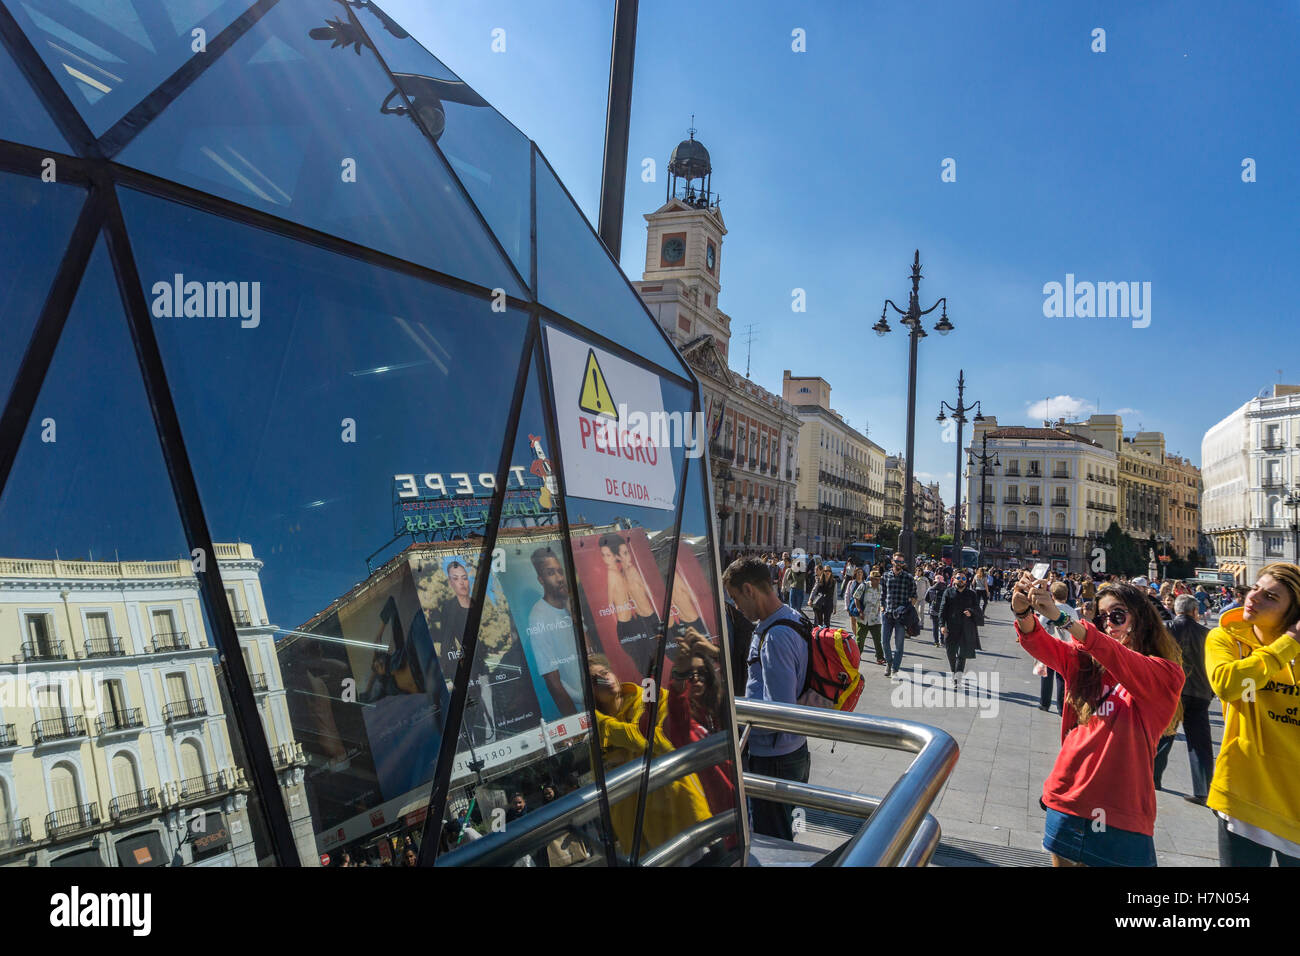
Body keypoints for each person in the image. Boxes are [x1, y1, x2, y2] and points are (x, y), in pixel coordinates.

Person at [1010, 574, 1184, 867]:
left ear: (1142, 619)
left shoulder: (1165, 674)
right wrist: (1023, 612)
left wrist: (1062, 618)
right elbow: (1041, 644)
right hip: (1068, 797)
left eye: (1116, 615)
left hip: (1121, 813)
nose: (1108, 624)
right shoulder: (1087, 662)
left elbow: (1118, 656)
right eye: (1101, 617)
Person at [1205, 563, 1300, 866]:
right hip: (1242, 793)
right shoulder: (1225, 638)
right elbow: (1228, 683)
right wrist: (1288, 645)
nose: (1253, 597)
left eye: (1271, 597)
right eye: (1256, 587)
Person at [724, 557, 811, 841]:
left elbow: (779, 711)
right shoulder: (793, 616)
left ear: (749, 590)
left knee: (772, 840)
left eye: (736, 598)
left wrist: (739, 726)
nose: (737, 607)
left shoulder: (775, 636)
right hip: (794, 749)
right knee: (784, 834)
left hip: (774, 756)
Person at [588, 654, 710, 854]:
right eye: (595, 680)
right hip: (645, 842)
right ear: (590, 694)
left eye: (605, 672)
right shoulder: (597, 740)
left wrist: (605, 727)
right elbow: (607, 792)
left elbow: (646, 739)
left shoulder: (653, 698)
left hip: (684, 816)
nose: (604, 679)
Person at [1164, 594, 1216, 806]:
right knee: (1200, 743)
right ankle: (1203, 790)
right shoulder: (1208, 634)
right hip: (1200, 692)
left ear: (1176, 610)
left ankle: (1153, 778)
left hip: (1173, 691)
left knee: (1163, 735)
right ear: (1195, 612)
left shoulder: (1166, 628)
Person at [527, 546, 583, 717]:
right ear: (541, 579)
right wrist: (575, 724)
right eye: (551, 573)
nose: (559, 578)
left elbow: (591, 651)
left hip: (598, 694)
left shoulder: (569, 604)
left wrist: (572, 612)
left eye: (560, 571)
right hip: (580, 708)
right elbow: (552, 681)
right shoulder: (538, 616)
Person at [1035, 581, 1077, 713]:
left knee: (1046, 676)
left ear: (1052, 595)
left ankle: (1044, 703)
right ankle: (1061, 706)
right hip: (1065, 647)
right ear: (1067, 595)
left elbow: (1040, 626)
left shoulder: (1048, 609)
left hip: (1049, 646)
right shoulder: (1072, 611)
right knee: (1061, 678)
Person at [938, 570, 981, 684]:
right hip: (950, 628)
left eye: (963, 578)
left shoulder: (971, 594)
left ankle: (958, 677)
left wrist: (971, 612)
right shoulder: (948, 592)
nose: (961, 580)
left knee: (962, 654)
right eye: (959, 578)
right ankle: (954, 672)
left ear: (966, 581)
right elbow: (942, 610)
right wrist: (942, 625)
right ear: (954, 579)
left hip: (966, 628)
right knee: (951, 653)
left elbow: (977, 609)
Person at [880, 552, 916, 679]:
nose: (899, 564)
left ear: (903, 563)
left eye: (901, 562)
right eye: (897, 561)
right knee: (884, 642)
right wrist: (882, 607)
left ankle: (895, 668)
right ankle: (889, 662)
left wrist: (907, 610)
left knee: (899, 645)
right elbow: (882, 594)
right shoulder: (885, 576)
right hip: (887, 614)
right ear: (892, 561)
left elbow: (914, 596)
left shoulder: (908, 577)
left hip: (901, 617)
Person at [853, 570, 885, 664]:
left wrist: (882, 608)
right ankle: (857, 657)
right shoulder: (864, 586)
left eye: (879, 579)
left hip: (875, 618)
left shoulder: (881, 588)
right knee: (860, 640)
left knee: (878, 639)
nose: (878, 581)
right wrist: (859, 610)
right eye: (876, 579)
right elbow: (856, 597)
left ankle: (880, 658)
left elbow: (882, 600)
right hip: (863, 618)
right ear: (871, 579)